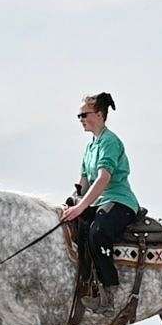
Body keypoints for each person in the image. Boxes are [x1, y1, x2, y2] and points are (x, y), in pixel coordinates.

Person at [60, 92, 141, 313]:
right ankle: (85, 285)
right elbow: (84, 182)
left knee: (98, 232)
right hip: (98, 202)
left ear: (99, 114)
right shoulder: (90, 147)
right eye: (78, 116)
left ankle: (110, 293)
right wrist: (72, 203)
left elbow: (104, 179)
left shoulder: (110, 142)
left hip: (119, 201)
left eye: (83, 114)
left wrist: (81, 207)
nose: (80, 119)